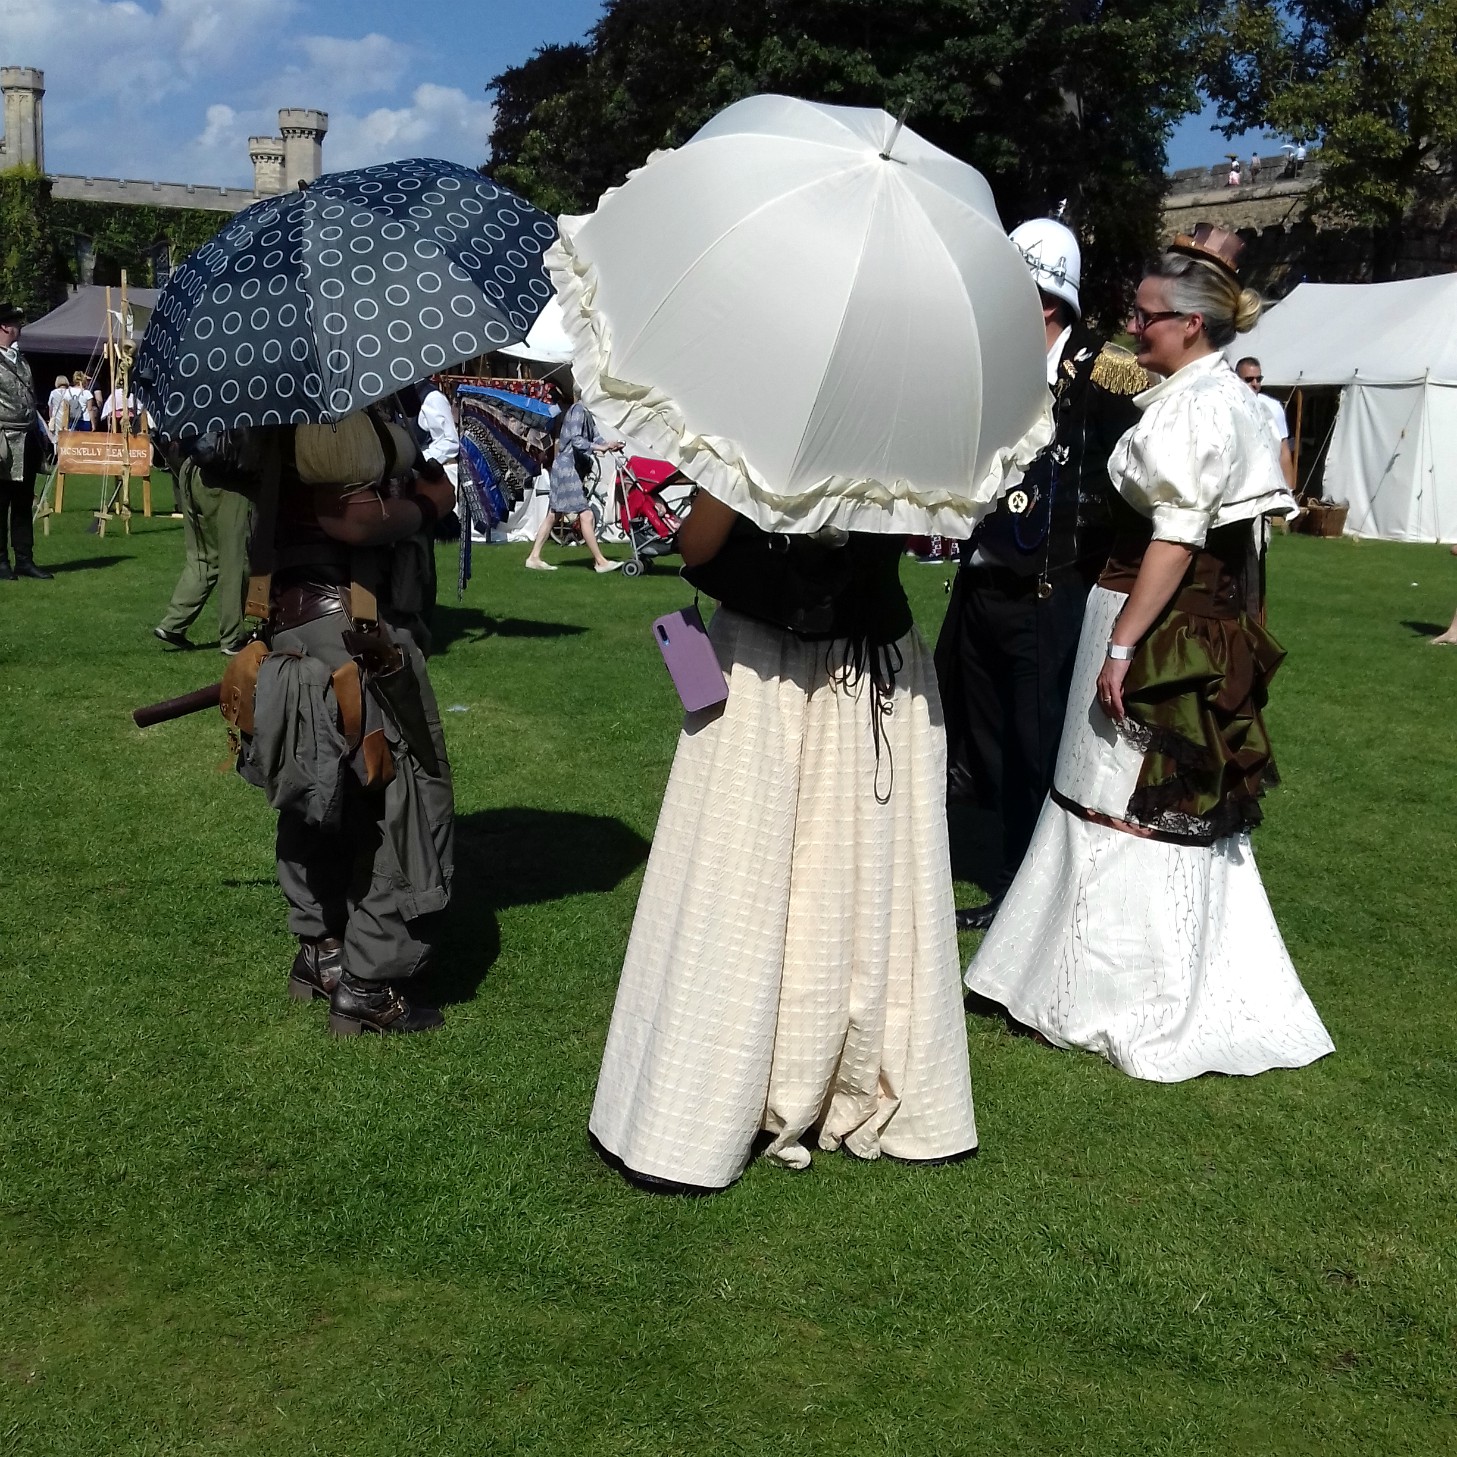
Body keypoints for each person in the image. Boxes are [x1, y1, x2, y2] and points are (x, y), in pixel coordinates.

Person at [965, 225, 1335, 1082]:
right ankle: (1084, 977)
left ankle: (1111, 994)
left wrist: (1124, 644)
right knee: (1149, 800)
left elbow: (1174, 537)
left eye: (1147, 315)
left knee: (1126, 796)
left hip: (1158, 622)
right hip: (1193, 623)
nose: (1133, 327)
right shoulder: (1226, 401)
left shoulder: (1201, 406)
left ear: (1192, 327)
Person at [589, 493, 979, 1193]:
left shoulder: (756, 428)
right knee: (853, 877)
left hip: (778, 662)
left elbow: (698, 547)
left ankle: (729, 1091)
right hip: (871, 659)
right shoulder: (904, 432)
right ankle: (825, 1073)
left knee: (738, 871)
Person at [934, 219, 1145, 932]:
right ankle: (1009, 871)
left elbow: (1147, 457)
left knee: (1034, 740)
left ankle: (1023, 892)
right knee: (981, 735)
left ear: (1046, 299)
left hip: (1049, 586)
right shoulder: (994, 365)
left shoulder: (1107, 369)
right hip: (982, 577)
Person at [232, 410, 456, 1035]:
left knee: (320, 789)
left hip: (296, 625)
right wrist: (431, 503)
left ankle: (321, 949)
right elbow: (348, 518)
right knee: (409, 795)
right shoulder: (331, 401)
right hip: (352, 637)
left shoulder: (277, 398)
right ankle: (368, 982)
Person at [153, 437, 253, 654]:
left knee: (202, 557)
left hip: (193, 467)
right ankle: (233, 637)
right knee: (234, 560)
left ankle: (173, 624)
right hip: (228, 474)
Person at [523, 387, 621, 572]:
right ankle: (600, 561)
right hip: (567, 469)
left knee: (554, 514)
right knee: (586, 514)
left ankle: (533, 557)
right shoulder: (578, 410)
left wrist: (609, 445)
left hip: (564, 467)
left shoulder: (586, 413)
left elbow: (595, 437)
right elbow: (576, 440)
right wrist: (599, 448)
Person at [0, 303, 53, 581]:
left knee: (23, 503)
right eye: (16, 323)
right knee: (0, 504)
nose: (20, 327)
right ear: (4, 326)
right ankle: (0, 562)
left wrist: (44, 433)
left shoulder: (21, 358)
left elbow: (30, 399)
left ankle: (24, 559)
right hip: (4, 441)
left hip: (28, 438)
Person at [1235, 356, 1296, 489]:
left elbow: (1284, 452)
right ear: (1237, 380)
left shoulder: (1273, 406)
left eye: (1259, 379)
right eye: (1249, 379)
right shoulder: (1229, 406)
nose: (1255, 384)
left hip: (1269, 485)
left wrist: (1290, 491)